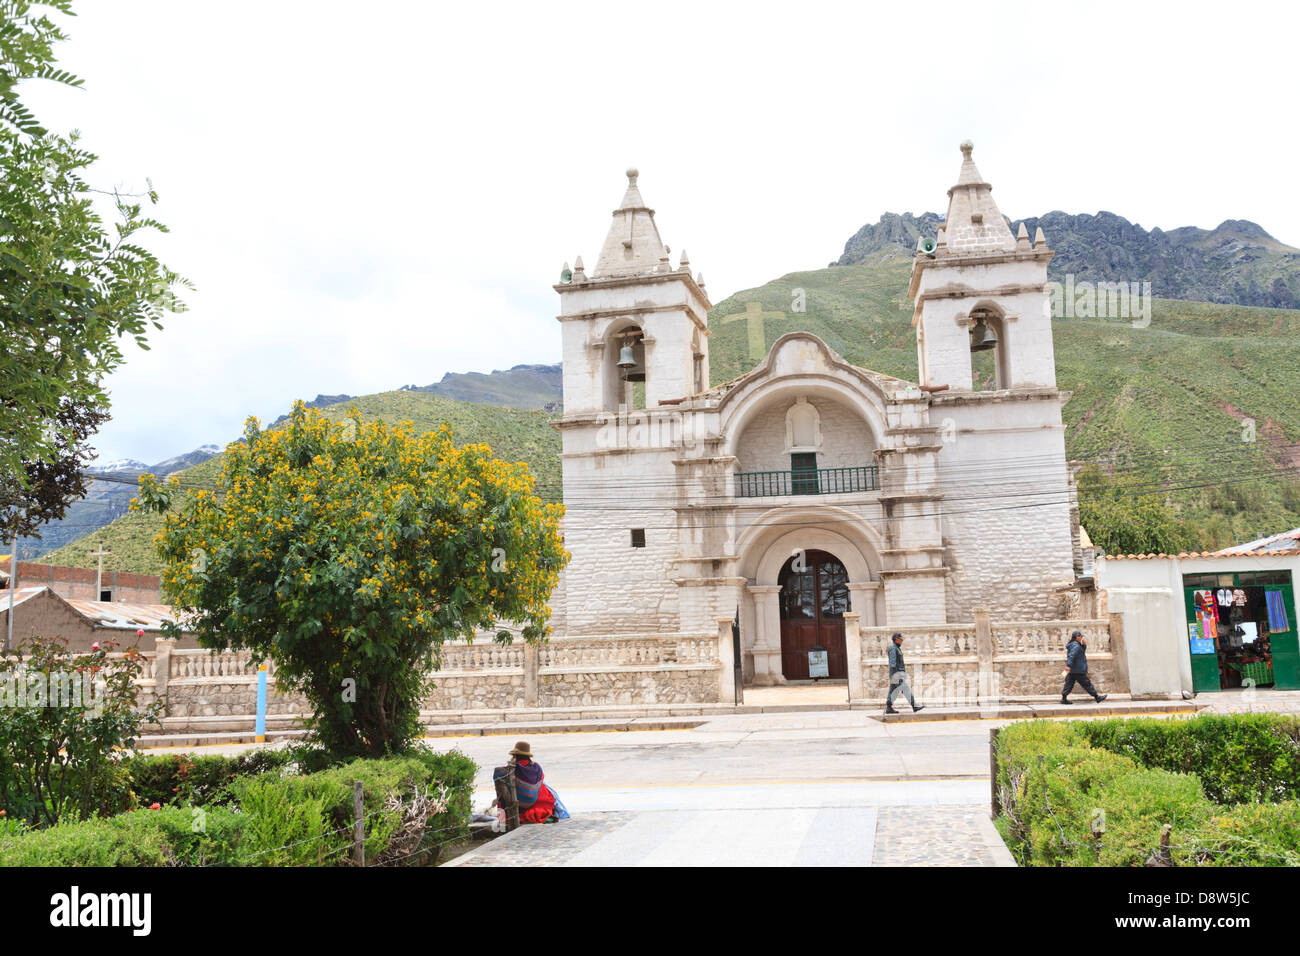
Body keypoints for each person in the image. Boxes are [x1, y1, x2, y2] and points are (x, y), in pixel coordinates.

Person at [492, 741, 569, 824]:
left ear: (515, 756)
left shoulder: (511, 769)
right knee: (544, 789)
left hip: (520, 805)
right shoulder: (537, 767)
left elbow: (499, 774)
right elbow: (541, 778)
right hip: (541, 803)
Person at [1060, 630, 1107, 704]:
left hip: (1073, 670)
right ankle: (1097, 697)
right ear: (1077, 637)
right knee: (1087, 684)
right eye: (1080, 636)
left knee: (1068, 684)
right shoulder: (1076, 646)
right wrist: (1068, 665)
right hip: (1078, 670)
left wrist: (1084, 645)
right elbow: (1072, 656)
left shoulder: (1074, 645)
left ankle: (1063, 699)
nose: (1082, 637)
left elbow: (1080, 653)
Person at [885, 632, 924, 715]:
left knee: (892, 691)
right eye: (900, 639)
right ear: (896, 639)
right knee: (905, 689)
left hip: (896, 674)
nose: (902, 641)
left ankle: (889, 707)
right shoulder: (893, 648)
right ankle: (914, 706)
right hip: (896, 674)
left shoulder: (896, 648)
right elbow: (893, 663)